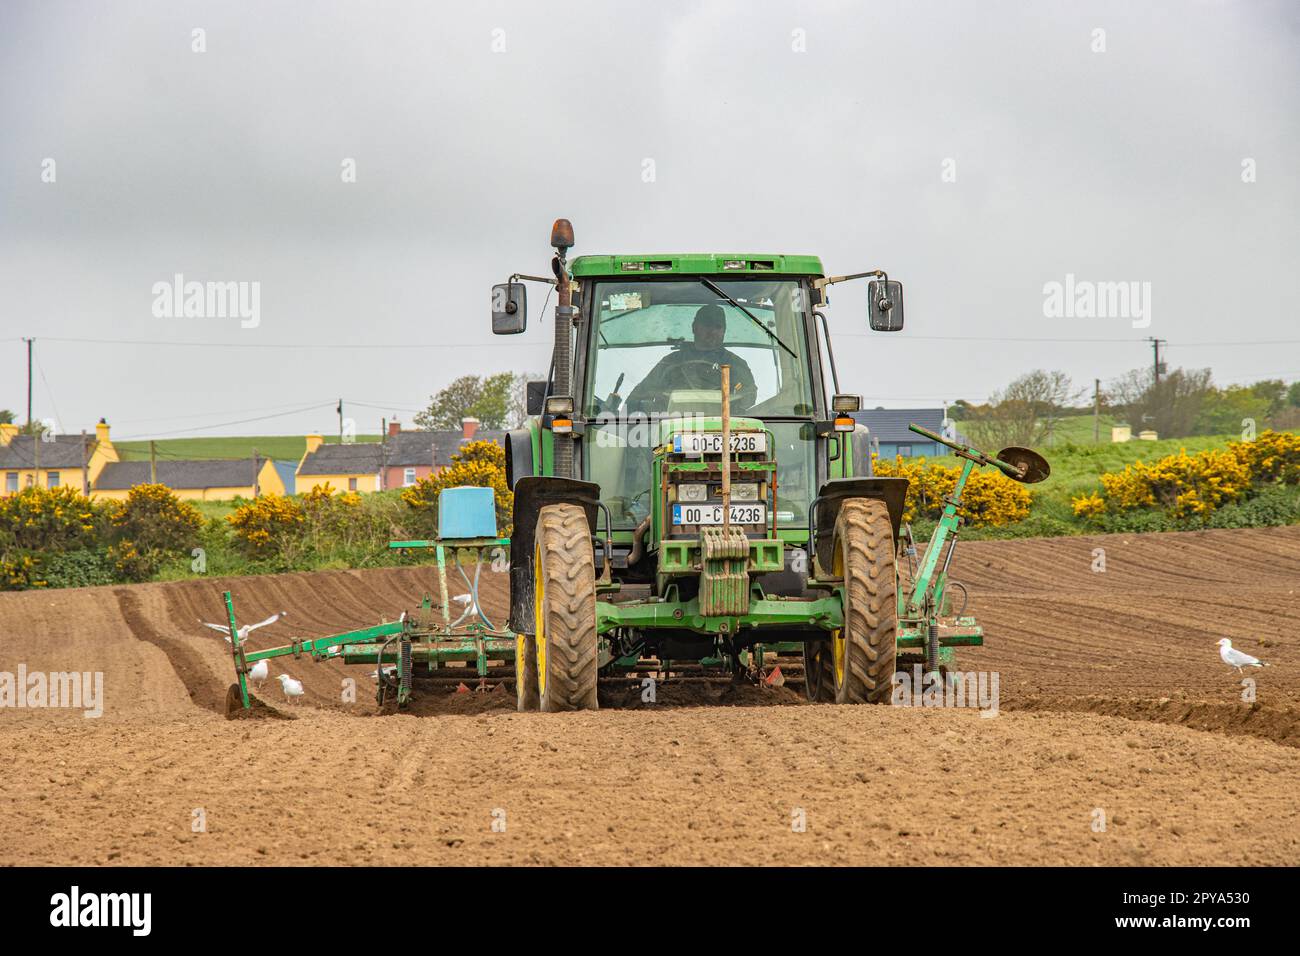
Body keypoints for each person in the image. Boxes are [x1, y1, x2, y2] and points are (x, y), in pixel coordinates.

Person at [624, 304, 757, 413]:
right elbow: (637, 397)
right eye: (707, 325)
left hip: (724, 432)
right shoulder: (670, 362)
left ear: (724, 331)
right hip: (671, 431)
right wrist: (661, 395)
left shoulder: (735, 364)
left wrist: (733, 398)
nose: (712, 331)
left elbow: (749, 397)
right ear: (694, 328)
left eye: (718, 327)